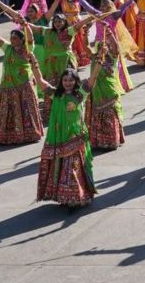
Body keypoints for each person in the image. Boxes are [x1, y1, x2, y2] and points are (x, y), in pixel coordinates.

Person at [32, 64, 101, 207]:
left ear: (76, 81)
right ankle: (64, 196)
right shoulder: (56, 94)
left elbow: (92, 79)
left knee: (73, 169)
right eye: (65, 80)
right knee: (61, 167)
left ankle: (76, 197)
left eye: (71, 80)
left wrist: (99, 63)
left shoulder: (80, 95)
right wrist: (33, 63)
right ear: (61, 82)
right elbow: (40, 81)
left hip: (75, 138)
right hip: (58, 139)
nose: (68, 83)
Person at [0, 16, 44, 146]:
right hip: (8, 86)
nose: (12, 40)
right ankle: (10, 135)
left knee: (26, 109)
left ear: (21, 39)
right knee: (10, 111)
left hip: (23, 85)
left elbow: (30, 38)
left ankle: (30, 134)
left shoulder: (27, 49)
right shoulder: (8, 48)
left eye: (15, 38)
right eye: (11, 38)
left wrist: (25, 25)